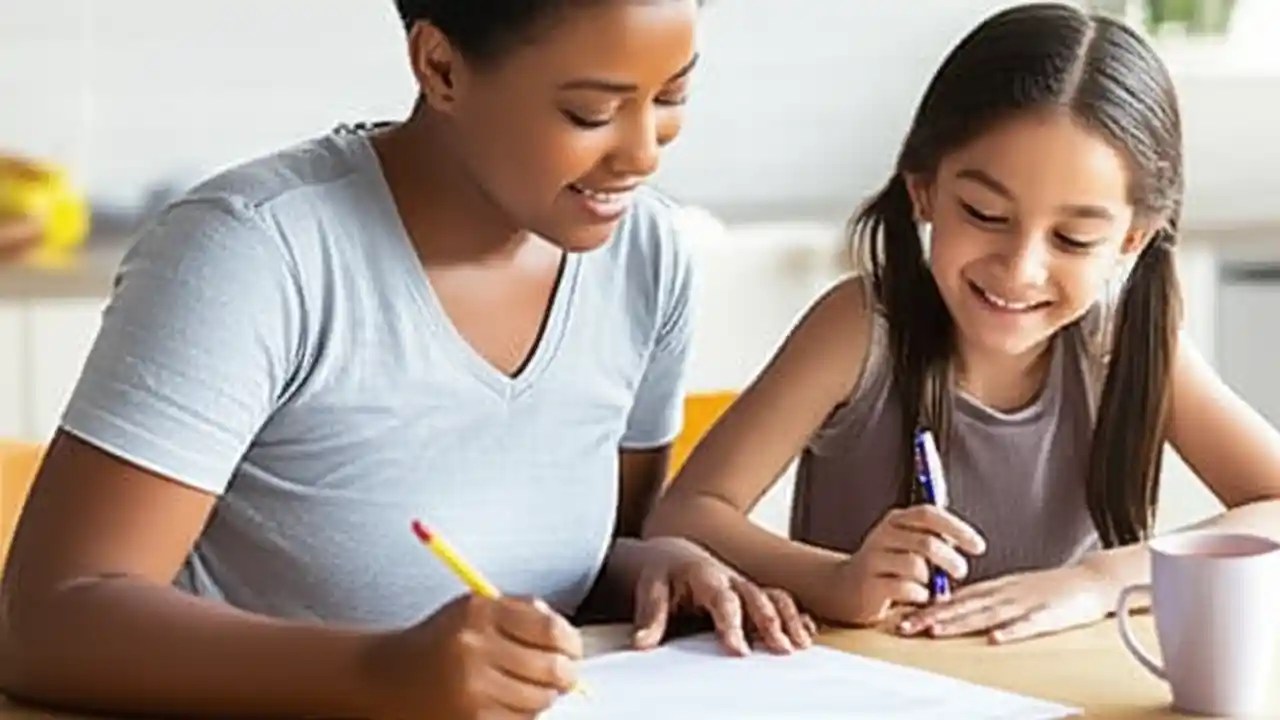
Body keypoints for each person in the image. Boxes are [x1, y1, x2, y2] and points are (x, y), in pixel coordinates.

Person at [0, 2, 813, 719]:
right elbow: (44, 622)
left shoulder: (648, 254)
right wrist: (383, 673)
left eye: (671, 96)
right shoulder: (256, 253)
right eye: (591, 112)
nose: (643, 154)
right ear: (441, 67)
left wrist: (653, 567)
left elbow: (588, 556)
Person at [645, 1, 1280, 646]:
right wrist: (837, 580)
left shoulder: (1124, 346)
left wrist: (1097, 580)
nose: (1021, 268)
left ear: (1131, 241)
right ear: (924, 189)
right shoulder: (862, 328)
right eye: (984, 213)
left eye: (1074, 237)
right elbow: (685, 515)